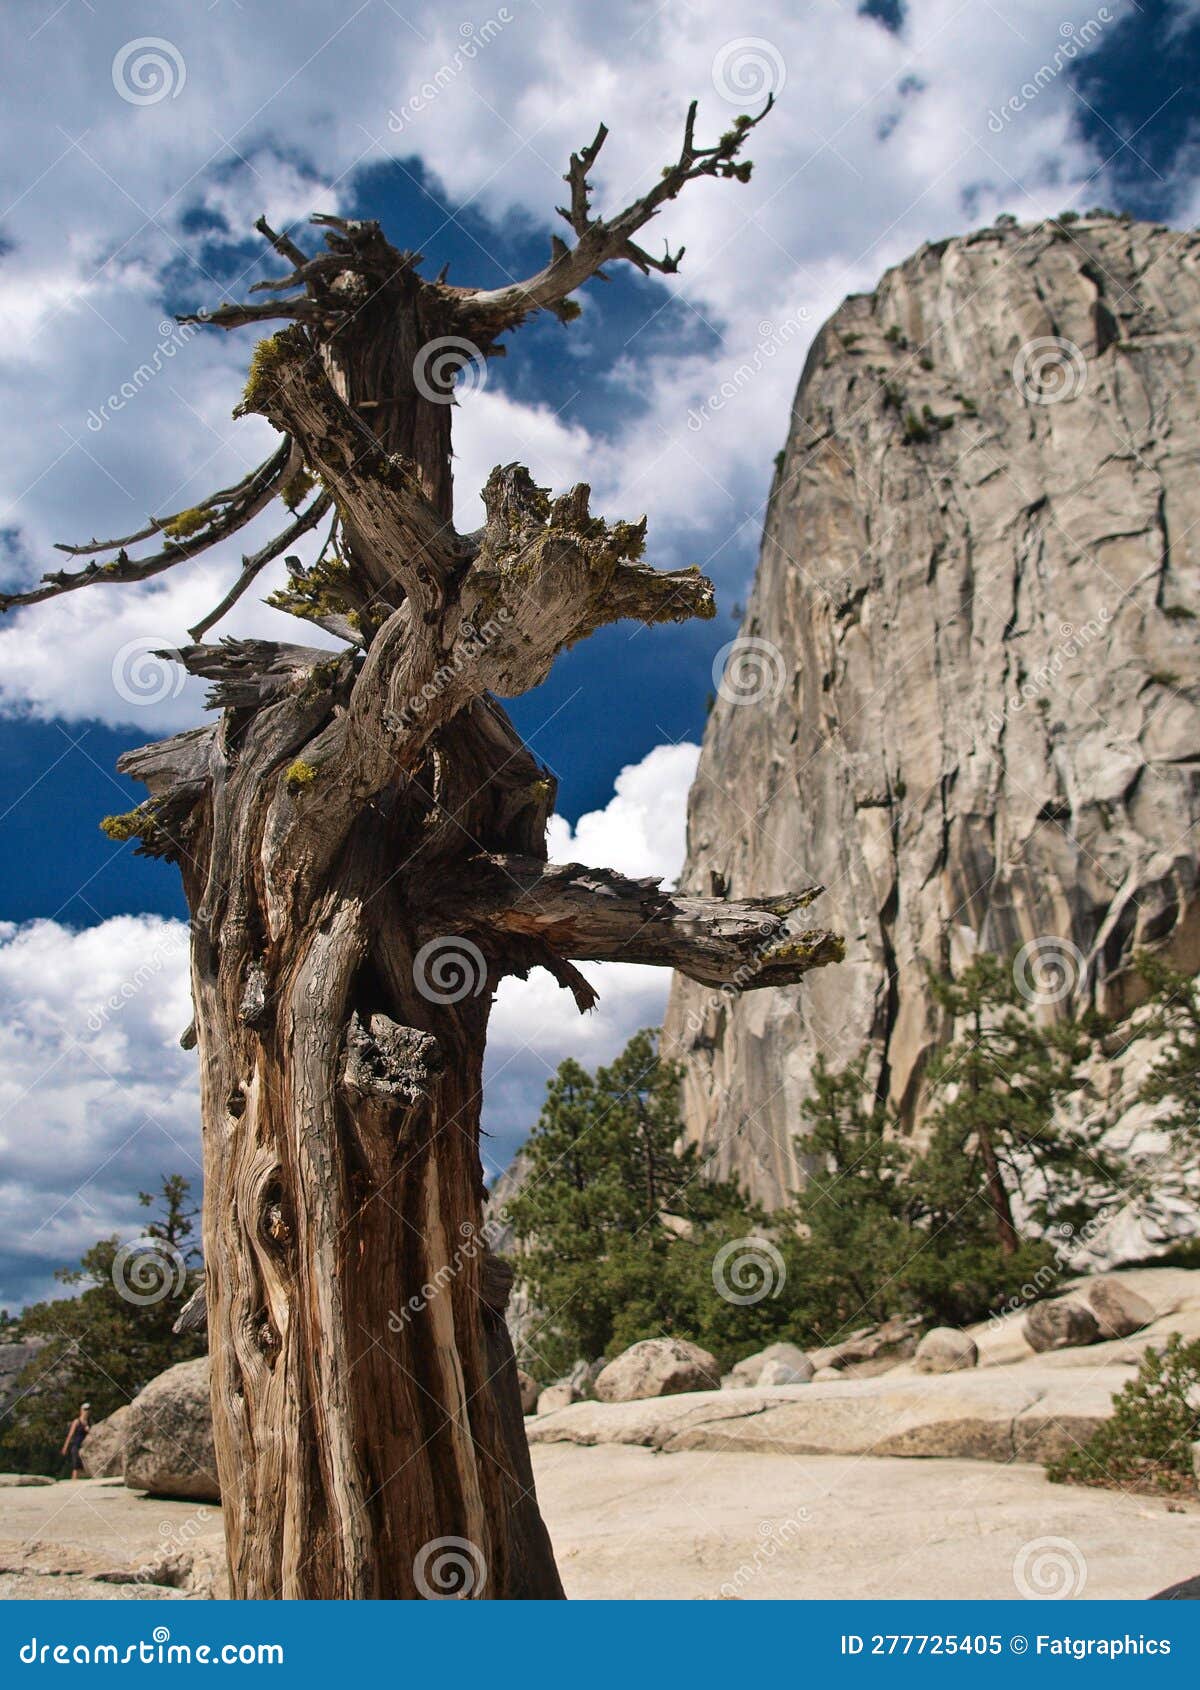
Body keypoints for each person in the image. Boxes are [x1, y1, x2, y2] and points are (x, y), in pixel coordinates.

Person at [61, 1402, 91, 1479]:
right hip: (76, 1445)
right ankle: (74, 1480)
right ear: (81, 1410)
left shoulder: (89, 1422)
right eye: (85, 1409)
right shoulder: (77, 1421)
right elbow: (70, 1435)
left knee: (84, 1465)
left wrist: (88, 1430)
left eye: (88, 1409)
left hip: (85, 1446)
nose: (86, 1411)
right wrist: (65, 1447)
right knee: (75, 1465)